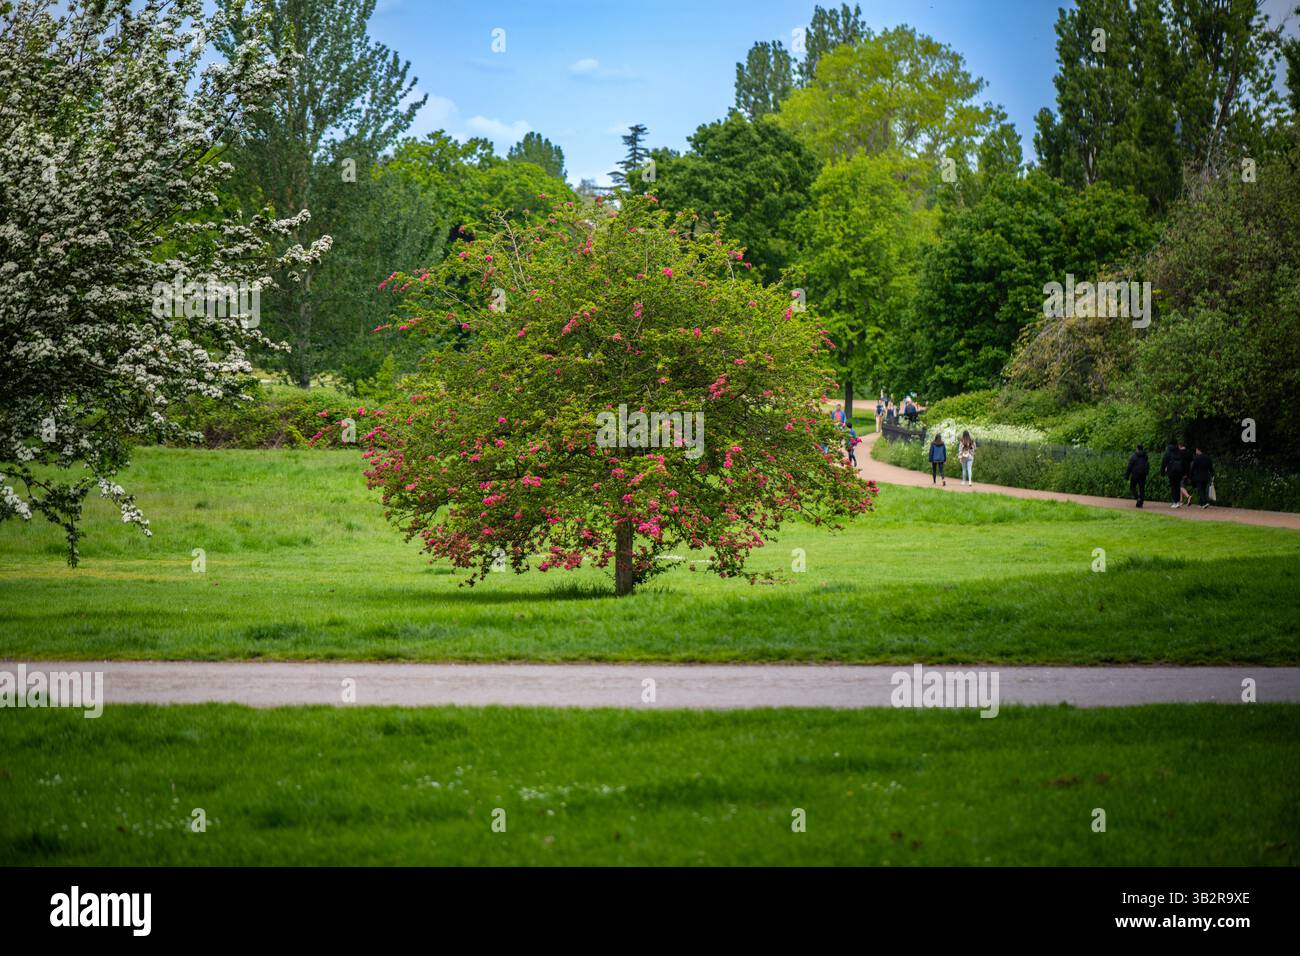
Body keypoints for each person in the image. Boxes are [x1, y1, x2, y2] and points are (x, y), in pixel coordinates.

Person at [1160, 438, 1184, 508]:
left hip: (1171, 471)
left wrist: (1162, 472)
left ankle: (1175, 502)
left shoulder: (1168, 452)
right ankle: (1178, 502)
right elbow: (1183, 462)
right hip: (1179, 471)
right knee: (1177, 486)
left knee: (1173, 486)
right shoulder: (1179, 451)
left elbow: (1164, 463)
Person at [1125, 444, 1149, 508]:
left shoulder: (1134, 456)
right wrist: (1147, 473)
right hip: (1143, 475)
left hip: (1135, 475)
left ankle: (1137, 498)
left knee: (1132, 487)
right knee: (1142, 489)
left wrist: (1127, 476)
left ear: (1137, 449)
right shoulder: (1145, 456)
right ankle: (1140, 503)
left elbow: (1129, 466)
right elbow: (1147, 465)